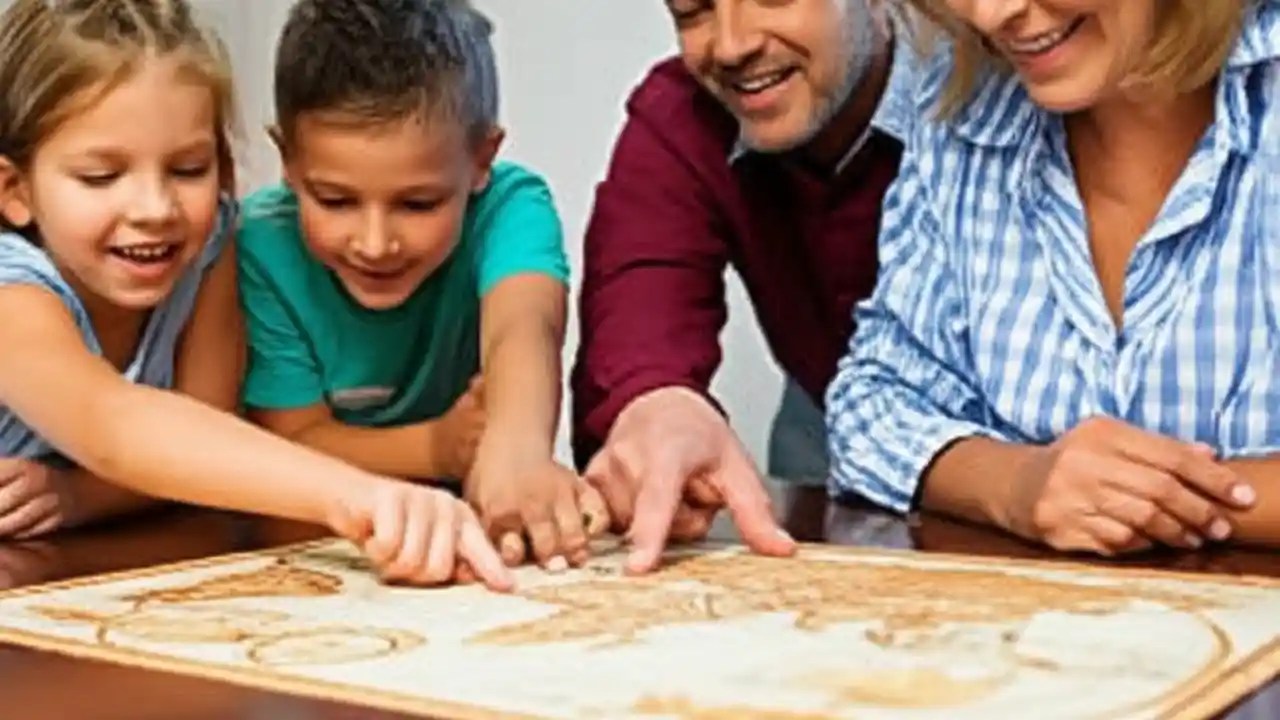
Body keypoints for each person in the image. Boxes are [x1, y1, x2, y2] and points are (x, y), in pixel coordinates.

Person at [0, 0, 512, 591]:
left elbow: (201, 431)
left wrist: (75, 497)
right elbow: (112, 425)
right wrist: (357, 496)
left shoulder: (212, 242)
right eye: (101, 177)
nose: (155, 209)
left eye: (189, 169)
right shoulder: (12, 293)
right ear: (15, 191)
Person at [826, 0, 1280, 554]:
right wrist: (1018, 485)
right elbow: (871, 401)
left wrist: (1136, 502)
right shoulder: (964, 100)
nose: (991, 16)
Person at [238, 0, 606, 573]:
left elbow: (523, 326)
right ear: (287, 160)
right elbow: (287, 443)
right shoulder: (261, 244)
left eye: (418, 203)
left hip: (455, 532)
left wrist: (515, 448)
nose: (375, 242)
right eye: (335, 201)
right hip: (312, 539)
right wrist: (439, 446)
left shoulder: (511, 206)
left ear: (481, 159)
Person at [571, 0, 917, 573]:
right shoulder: (680, 115)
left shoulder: (992, 83)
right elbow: (640, 297)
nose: (731, 45)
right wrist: (658, 407)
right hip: (821, 425)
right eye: (691, 10)